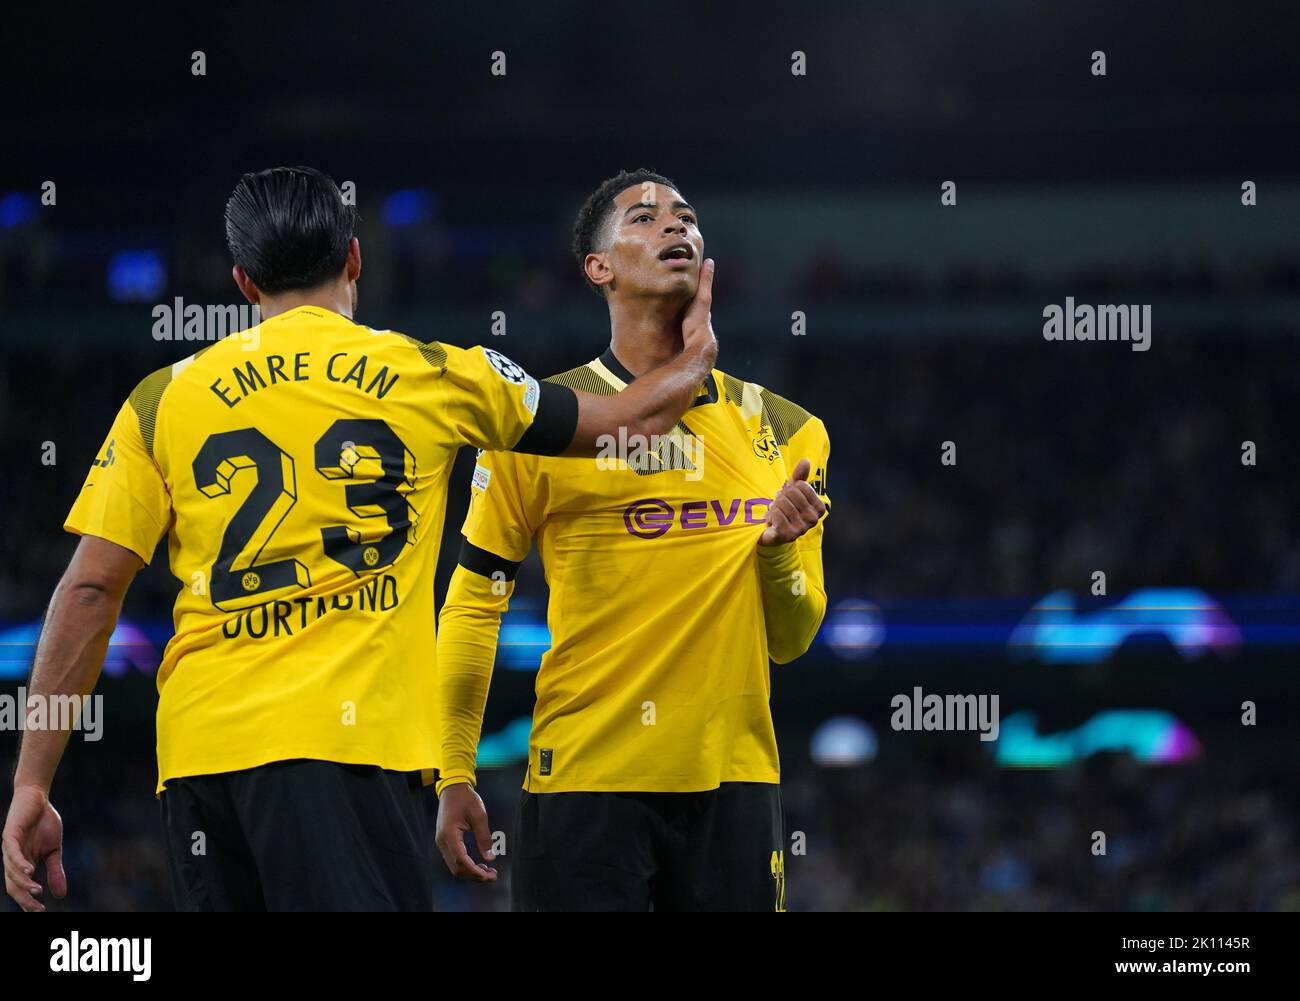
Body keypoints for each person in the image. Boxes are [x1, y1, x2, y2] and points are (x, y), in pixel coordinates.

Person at [2, 165, 717, 912]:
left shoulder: (162, 397)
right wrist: (695, 354)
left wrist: (32, 784)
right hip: (350, 754)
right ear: (354, 258)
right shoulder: (435, 373)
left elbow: (88, 590)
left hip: (200, 764)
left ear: (245, 283)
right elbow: (632, 420)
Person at [434, 169, 828, 911]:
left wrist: (777, 552)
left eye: (686, 216)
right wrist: (453, 767)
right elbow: (472, 606)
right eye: (644, 218)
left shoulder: (786, 427)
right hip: (586, 785)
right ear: (598, 267)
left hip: (735, 786)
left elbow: (793, 638)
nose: (676, 226)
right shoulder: (538, 424)